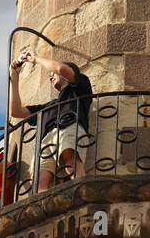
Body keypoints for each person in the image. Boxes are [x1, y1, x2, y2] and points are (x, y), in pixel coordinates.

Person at [9, 49, 93, 191]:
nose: (50, 77)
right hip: (45, 139)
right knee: (40, 179)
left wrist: (35, 59)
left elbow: (60, 68)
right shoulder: (47, 106)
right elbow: (15, 111)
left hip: (69, 126)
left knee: (69, 160)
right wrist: (14, 77)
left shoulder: (80, 88)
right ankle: (42, 207)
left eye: (52, 74)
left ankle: (82, 191)